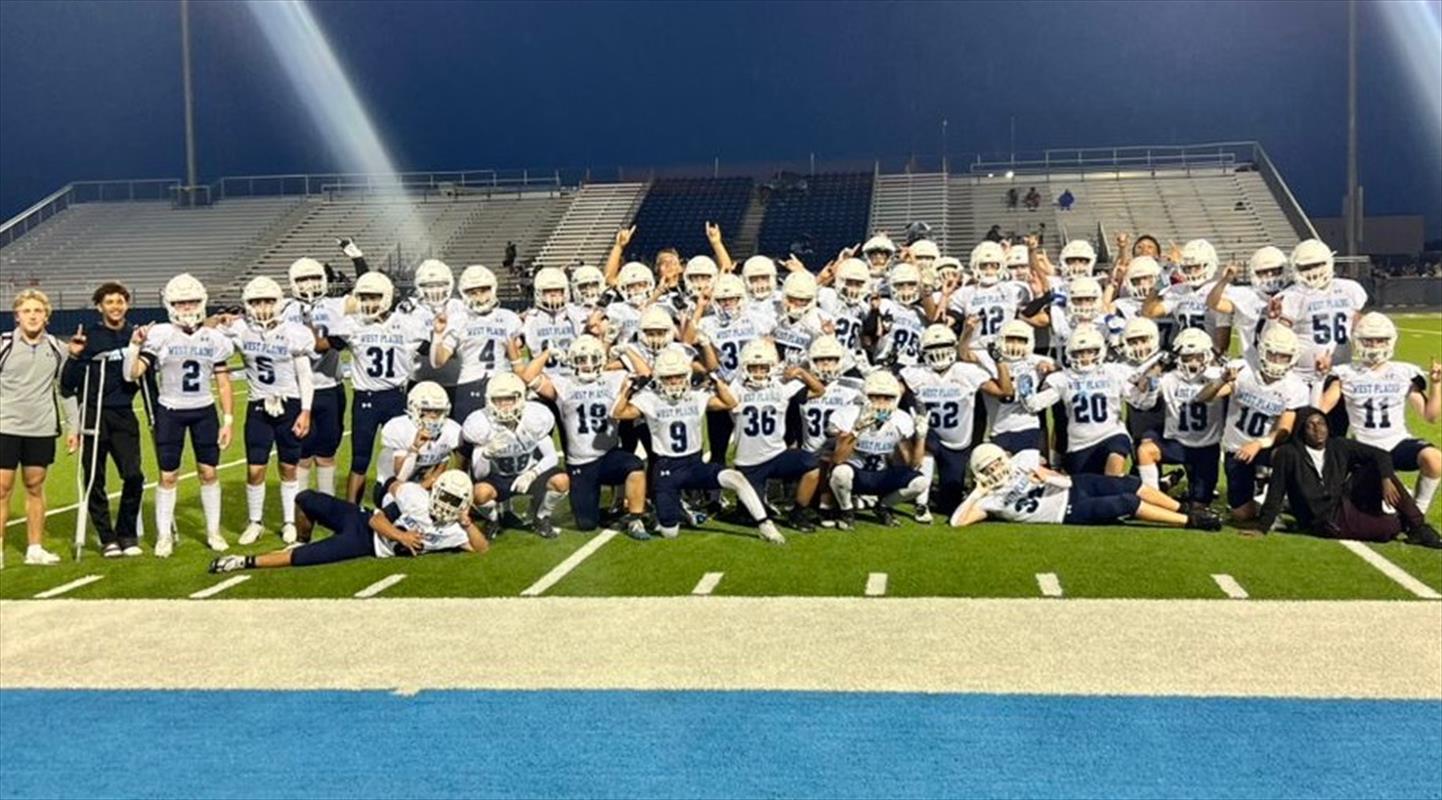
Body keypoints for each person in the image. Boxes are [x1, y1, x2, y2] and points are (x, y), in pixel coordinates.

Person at [128, 274, 236, 556]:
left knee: (209, 472)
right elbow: (134, 372)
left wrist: (228, 420)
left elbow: (223, 382)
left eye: (191, 302)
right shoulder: (161, 333)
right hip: (170, 411)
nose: (187, 308)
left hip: (203, 410)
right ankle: (165, 535)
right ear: (170, 305)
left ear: (201, 303)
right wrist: (135, 346)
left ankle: (213, 531)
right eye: (181, 303)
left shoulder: (214, 338)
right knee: (168, 476)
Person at [208, 470, 488, 572]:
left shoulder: (454, 529)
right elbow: (378, 518)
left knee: (306, 558)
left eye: (453, 501)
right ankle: (301, 536)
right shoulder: (416, 498)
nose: (445, 504)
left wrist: (466, 523)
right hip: (364, 523)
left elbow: (482, 548)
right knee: (305, 498)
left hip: (364, 544)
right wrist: (402, 536)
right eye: (444, 496)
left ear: (463, 505)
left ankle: (243, 561)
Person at [217, 277, 316, 546]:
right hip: (258, 404)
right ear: (247, 304)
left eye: (268, 301)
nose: (262, 307)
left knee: (288, 467)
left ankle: (288, 522)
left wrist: (305, 411)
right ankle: (255, 522)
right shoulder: (240, 329)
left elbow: (305, 376)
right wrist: (218, 321)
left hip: (290, 403)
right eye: (256, 301)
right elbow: (212, 334)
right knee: (255, 469)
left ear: (278, 302)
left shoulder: (294, 332)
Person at [1252, 408, 1439, 547]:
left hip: (1342, 502)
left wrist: (1386, 478)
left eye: (1322, 423)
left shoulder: (1337, 445)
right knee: (1388, 530)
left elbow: (1381, 455)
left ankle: (1418, 526)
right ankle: (1405, 521)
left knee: (1377, 466)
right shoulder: (1289, 453)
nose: (1318, 429)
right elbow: (1276, 490)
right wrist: (1262, 527)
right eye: (1311, 425)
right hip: (1325, 520)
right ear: (1301, 430)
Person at [1319, 313, 1441, 515]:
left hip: (1396, 441)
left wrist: (1437, 385)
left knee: (1435, 459)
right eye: (1368, 340)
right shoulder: (1345, 373)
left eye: (1380, 340)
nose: (1374, 345)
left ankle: (1418, 513)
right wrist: (1319, 377)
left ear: (1390, 341)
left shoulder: (1404, 373)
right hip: (1361, 448)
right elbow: (1320, 409)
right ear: (1358, 341)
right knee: (1355, 506)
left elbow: (1430, 416)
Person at [62, 282, 145, 558]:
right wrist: (74, 356)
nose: (115, 307)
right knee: (94, 477)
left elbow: (145, 372)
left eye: (120, 301)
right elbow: (67, 384)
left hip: (123, 413)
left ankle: (126, 532)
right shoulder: (90, 336)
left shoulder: (136, 335)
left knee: (133, 475)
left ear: (127, 304)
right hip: (94, 414)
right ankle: (106, 536)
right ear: (100, 306)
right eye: (109, 302)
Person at [949, 445, 1222, 530]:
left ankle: (1183, 507)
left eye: (996, 464)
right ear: (979, 475)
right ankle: (1190, 521)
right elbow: (957, 523)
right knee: (1124, 503)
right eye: (988, 470)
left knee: (1130, 483)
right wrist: (978, 491)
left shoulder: (1022, 461)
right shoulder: (989, 501)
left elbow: (1062, 479)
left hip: (1074, 486)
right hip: (1065, 510)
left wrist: (1045, 478)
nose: (995, 471)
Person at [1, 289, 75, 566]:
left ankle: (35, 549)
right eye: (26, 311)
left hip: (41, 428)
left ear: (47, 317)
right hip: (5, 426)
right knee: (1, 488)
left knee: (34, 486)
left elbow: (66, 389)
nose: (32, 316)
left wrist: (74, 427)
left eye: (38, 311)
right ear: (17, 316)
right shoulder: (4, 344)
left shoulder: (57, 348)